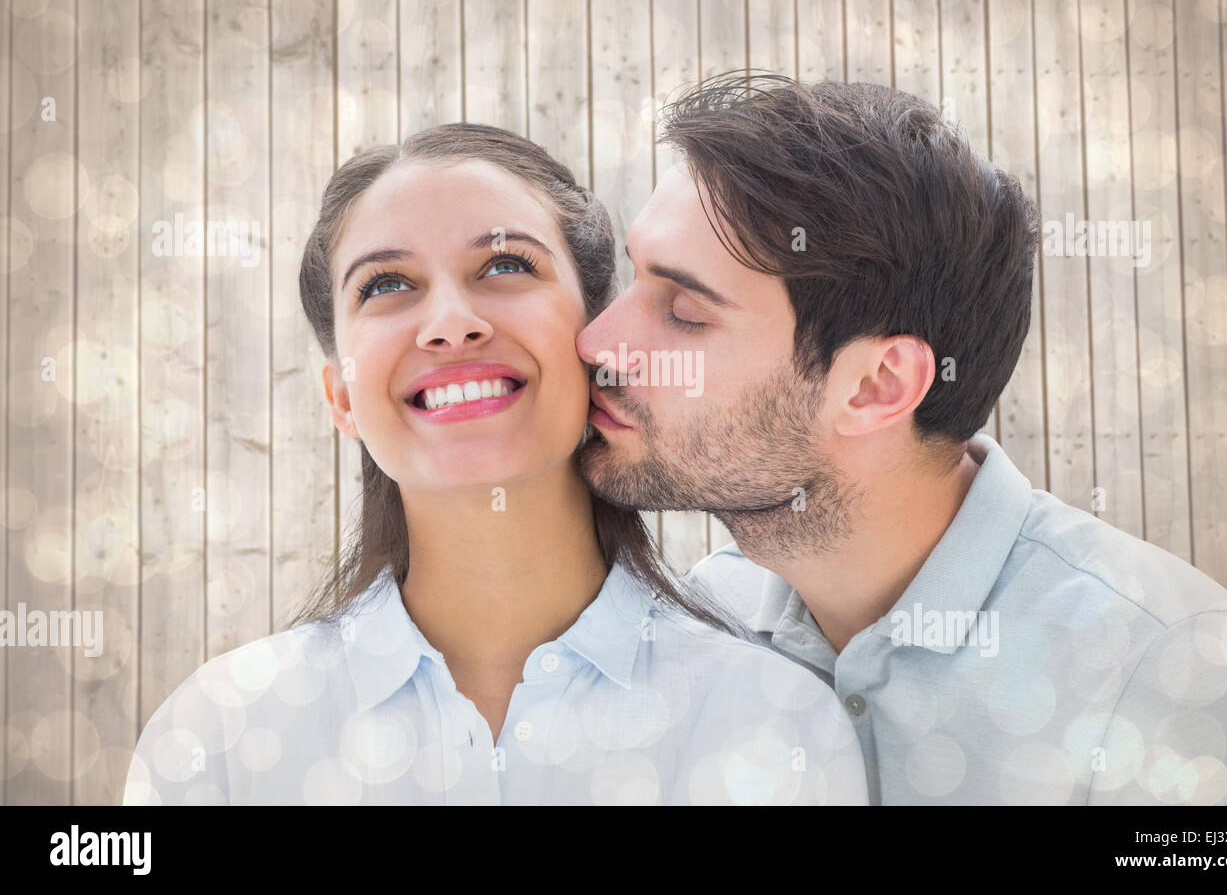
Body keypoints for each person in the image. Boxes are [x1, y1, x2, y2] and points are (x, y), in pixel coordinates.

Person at [576, 72, 1227, 805]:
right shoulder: (703, 622)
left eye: (685, 312)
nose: (598, 341)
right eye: (633, 282)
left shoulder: (1179, 674)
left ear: (877, 386)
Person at [121, 122, 868, 805]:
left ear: (597, 341)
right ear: (341, 395)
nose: (451, 323)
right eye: (386, 286)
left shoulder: (773, 723)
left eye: (506, 264)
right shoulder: (217, 740)